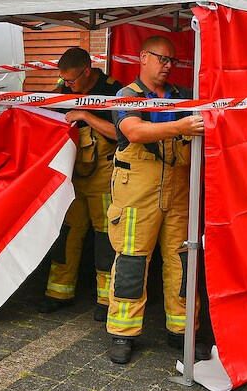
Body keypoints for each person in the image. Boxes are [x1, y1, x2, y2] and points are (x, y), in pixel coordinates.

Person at [105, 36, 205, 365]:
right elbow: (133, 131)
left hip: (177, 188)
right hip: (137, 189)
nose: (167, 66)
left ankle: (182, 329)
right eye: (161, 59)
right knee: (133, 260)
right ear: (143, 57)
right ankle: (122, 332)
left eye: (171, 61)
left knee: (182, 259)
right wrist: (180, 125)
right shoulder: (126, 96)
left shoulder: (179, 98)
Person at [37, 47, 122, 321]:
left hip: (104, 177)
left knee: (105, 237)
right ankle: (58, 292)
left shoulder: (113, 91)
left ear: (87, 72)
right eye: (64, 80)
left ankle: (106, 299)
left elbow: (122, 133)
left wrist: (86, 115)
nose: (66, 85)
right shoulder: (64, 88)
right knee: (68, 232)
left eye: (71, 81)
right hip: (73, 177)